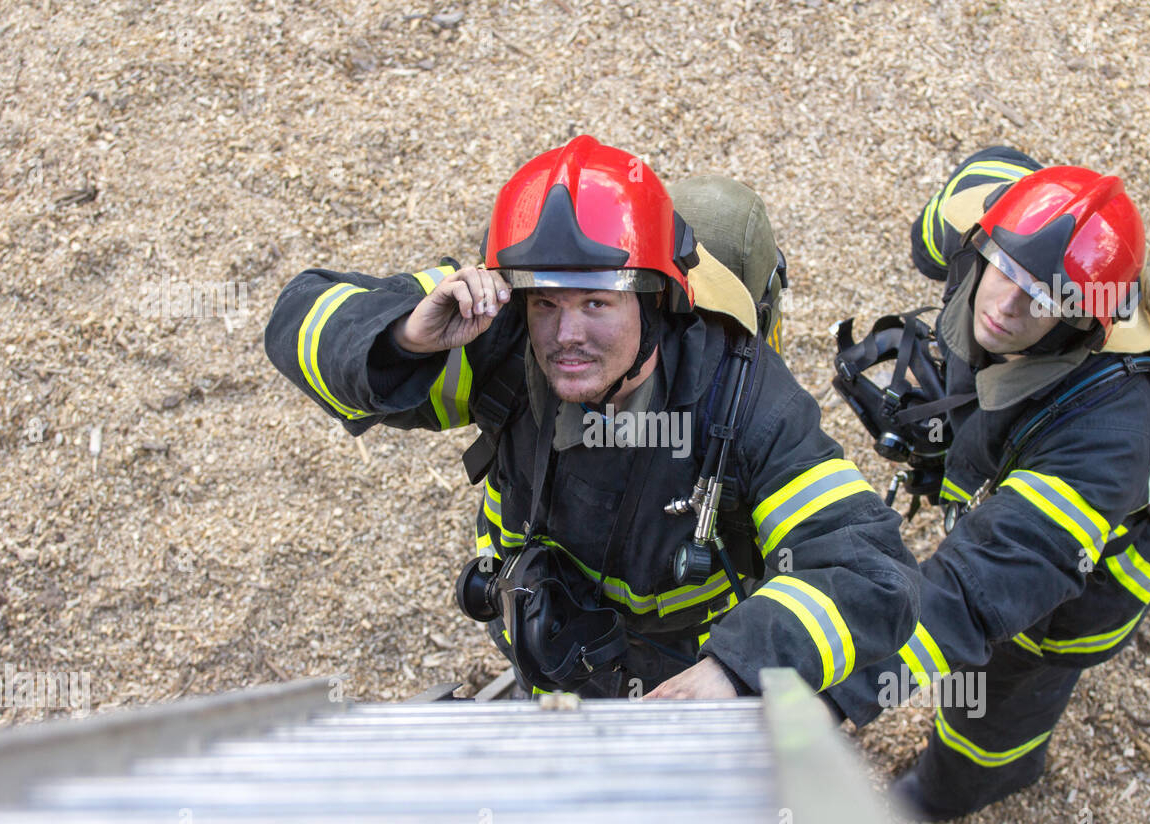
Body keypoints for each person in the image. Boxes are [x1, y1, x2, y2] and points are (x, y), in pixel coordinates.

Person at [264, 135, 919, 703]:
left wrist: (737, 668)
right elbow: (299, 315)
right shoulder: (496, 334)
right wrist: (404, 338)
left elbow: (869, 573)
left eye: (596, 304)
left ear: (657, 302)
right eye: (545, 301)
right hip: (539, 626)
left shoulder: (745, 403)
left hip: (677, 679)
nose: (564, 335)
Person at [838, 148, 1150, 820]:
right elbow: (972, 191)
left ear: (1086, 323)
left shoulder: (1112, 433)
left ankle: (962, 787)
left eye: (1046, 297)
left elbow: (976, 590)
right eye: (1003, 265)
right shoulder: (992, 226)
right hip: (1002, 461)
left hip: (1083, 591)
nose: (1005, 302)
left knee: (1001, 688)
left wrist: (834, 689)